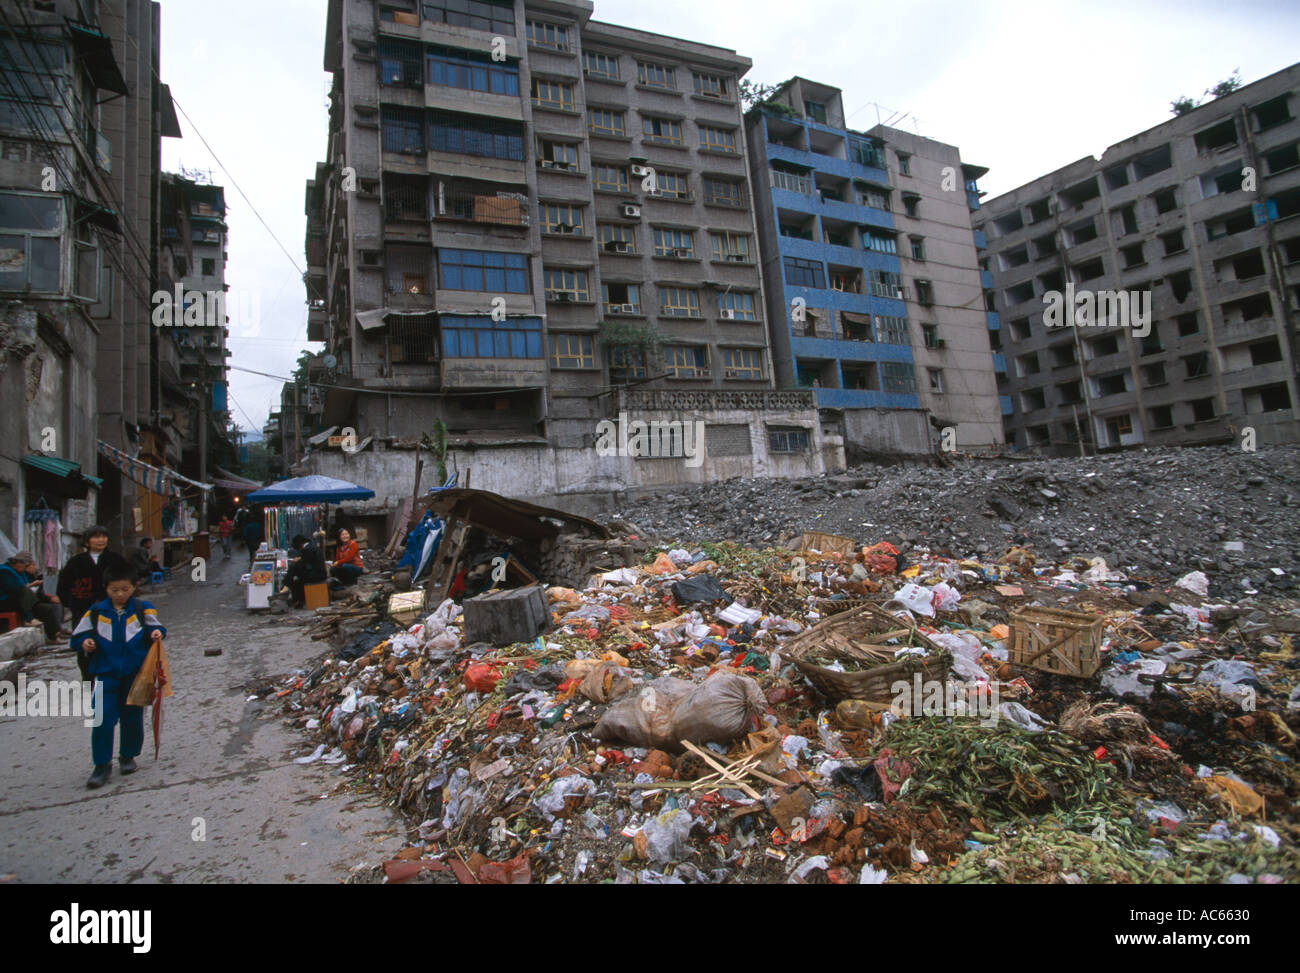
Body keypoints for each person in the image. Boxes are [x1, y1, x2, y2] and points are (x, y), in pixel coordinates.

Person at [71, 562, 166, 789]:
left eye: (124, 589)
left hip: (136, 674)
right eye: (115, 590)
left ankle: (128, 755)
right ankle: (102, 764)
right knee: (102, 718)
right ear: (106, 588)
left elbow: (159, 628)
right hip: (106, 674)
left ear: (134, 586)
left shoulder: (143, 609)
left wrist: (156, 633)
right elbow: (76, 637)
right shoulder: (96, 612)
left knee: (132, 717)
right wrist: (86, 642)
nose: (120, 594)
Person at [57, 526, 128, 678]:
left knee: (113, 640)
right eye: (96, 537)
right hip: (82, 609)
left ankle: (113, 674)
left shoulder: (116, 560)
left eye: (103, 536)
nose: (101, 540)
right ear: (87, 541)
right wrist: (71, 603)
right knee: (85, 642)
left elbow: (128, 581)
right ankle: (87, 676)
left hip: (113, 608)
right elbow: (64, 585)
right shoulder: (76, 562)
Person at [0, 551, 63, 642]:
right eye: (25, 566)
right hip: (6, 601)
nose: (25, 569)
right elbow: (13, 589)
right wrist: (30, 586)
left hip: (22, 601)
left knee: (46, 608)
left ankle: (54, 635)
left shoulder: (20, 572)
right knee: (24, 591)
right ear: (17, 564)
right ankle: (29, 618)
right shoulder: (4, 571)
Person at [280, 534, 326, 608]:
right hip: (319, 573)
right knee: (296, 576)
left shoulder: (307, 549)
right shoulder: (312, 547)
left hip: (317, 575)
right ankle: (288, 587)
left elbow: (302, 564)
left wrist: (296, 562)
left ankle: (286, 586)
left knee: (294, 570)